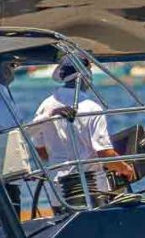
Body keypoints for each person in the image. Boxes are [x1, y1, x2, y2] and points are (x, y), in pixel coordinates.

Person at [28, 57, 121, 212]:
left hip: (58, 188)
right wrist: (124, 168)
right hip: (91, 187)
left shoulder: (45, 106)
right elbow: (104, 152)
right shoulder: (92, 107)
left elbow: (41, 151)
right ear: (86, 75)